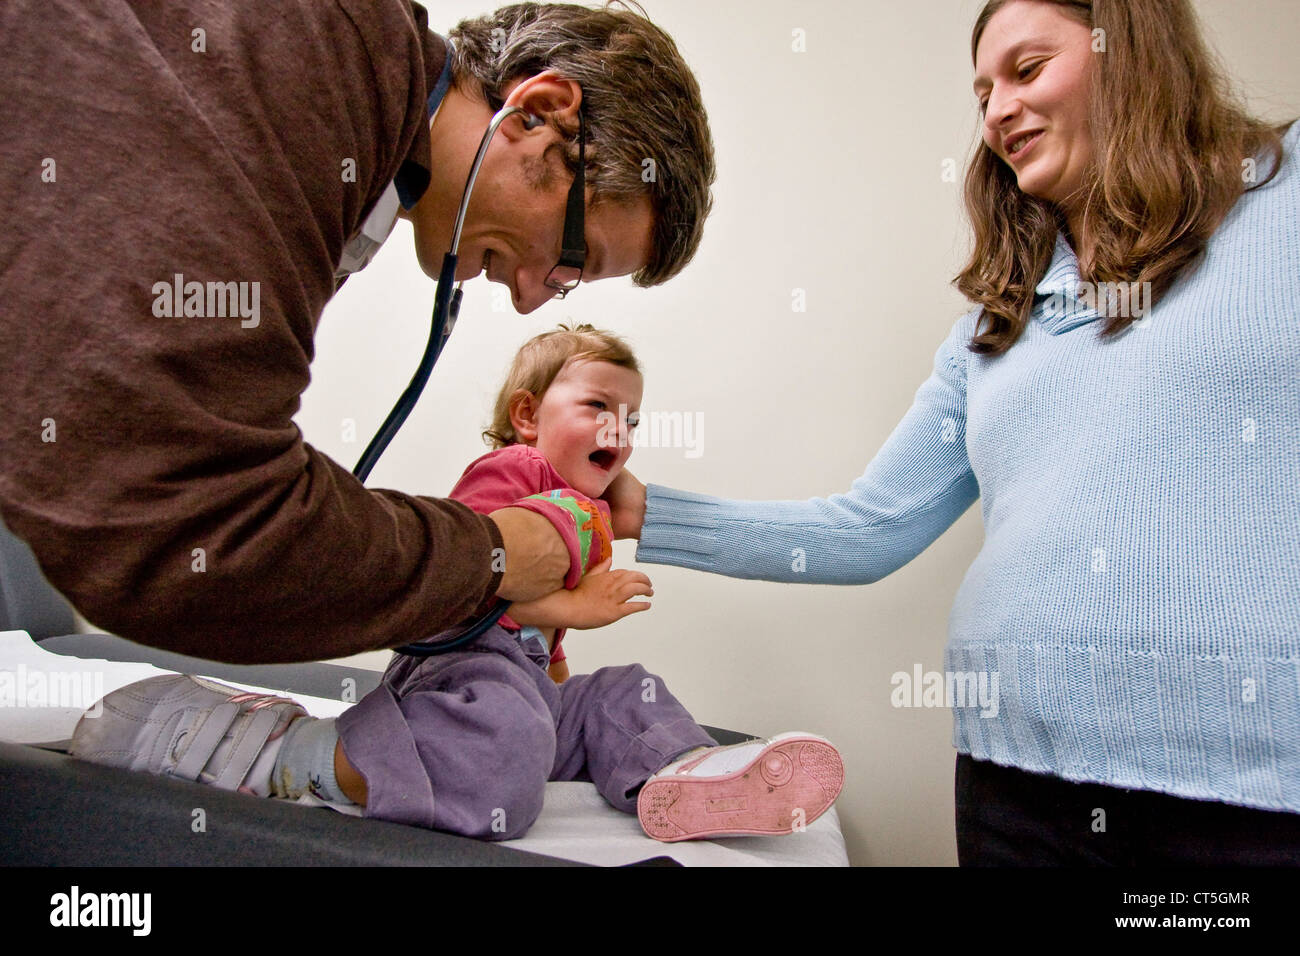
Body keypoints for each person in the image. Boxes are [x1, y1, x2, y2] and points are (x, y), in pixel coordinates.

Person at [601, 0, 1300, 865]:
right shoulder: (993, 326)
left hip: (1248, 806)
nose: (998, 109)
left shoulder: (1282, 201)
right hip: (1012, 785)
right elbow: (870, 527)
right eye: (983, 93)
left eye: (1027, 70)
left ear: (1134, 48)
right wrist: (634, 512)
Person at [0, 1, 715, 664]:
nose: (531, 299)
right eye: (571, 260)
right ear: (539, 111)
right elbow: (191, 524)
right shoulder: (303, 66)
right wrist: (489, 553)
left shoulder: (348, 114)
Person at [69, 325, 845, 843]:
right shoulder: (513, 471)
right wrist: (579, 603)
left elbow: (545, 646)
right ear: (527, 415)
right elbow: (473, 580)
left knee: (624, 692)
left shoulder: (581, 504)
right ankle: (301, 754)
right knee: (506, 742)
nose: (619, 432)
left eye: (633, 418)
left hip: (520, 680)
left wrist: (562, 666)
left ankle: (684, 780)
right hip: (459, 672)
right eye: (598, 408)